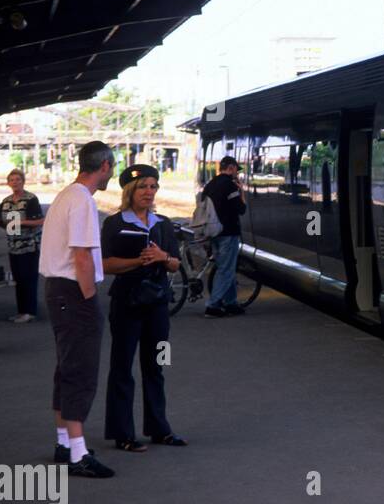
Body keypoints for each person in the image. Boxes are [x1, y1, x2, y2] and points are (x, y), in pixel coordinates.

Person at [39, 141, 116, 478]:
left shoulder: (65, 195)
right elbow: (82, 256)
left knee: (66, 367)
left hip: (57, 290)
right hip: (73, 293)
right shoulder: (83, 201)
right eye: (112, 168)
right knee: (81, 372)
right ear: (105, 166)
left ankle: (63, 443)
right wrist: (89, 298)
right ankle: (78, 454)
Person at [101, 164, 187, 452]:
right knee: (122, 366)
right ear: (129, 191)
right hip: (127, 302)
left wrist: (162, 256)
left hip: (157, 304)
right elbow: (105, 264)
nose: (149, 192)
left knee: (157, 365)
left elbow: (176, 263)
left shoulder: (162, 223)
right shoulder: (114, 224)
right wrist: (140, 261)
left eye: (153, 186)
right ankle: (122, 433)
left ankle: (159, 428)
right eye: (143, 187)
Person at [0, 168, 44, 323]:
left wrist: (20, 222)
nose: (15, 182)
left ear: (23, 181)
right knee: (19, 279)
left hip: (29, 246)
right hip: (13, 246)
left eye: (18, 179)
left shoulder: (31, 199)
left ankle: (30, 311)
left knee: (29, 278)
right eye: (12, 180)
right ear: (8, 183)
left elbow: (40, 221)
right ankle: (21, 311)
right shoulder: (6, 201)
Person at [201, 155, 247, 319]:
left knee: (226, 268)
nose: (237, 174)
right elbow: (241, 209)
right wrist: (242, 192)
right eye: (236, 170)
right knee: (226, 270)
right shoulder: (230, 186)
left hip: (214, 233)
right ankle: (212, 306)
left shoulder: (210, 184)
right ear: (232, 168)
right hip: (228, 233)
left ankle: (231, 303)